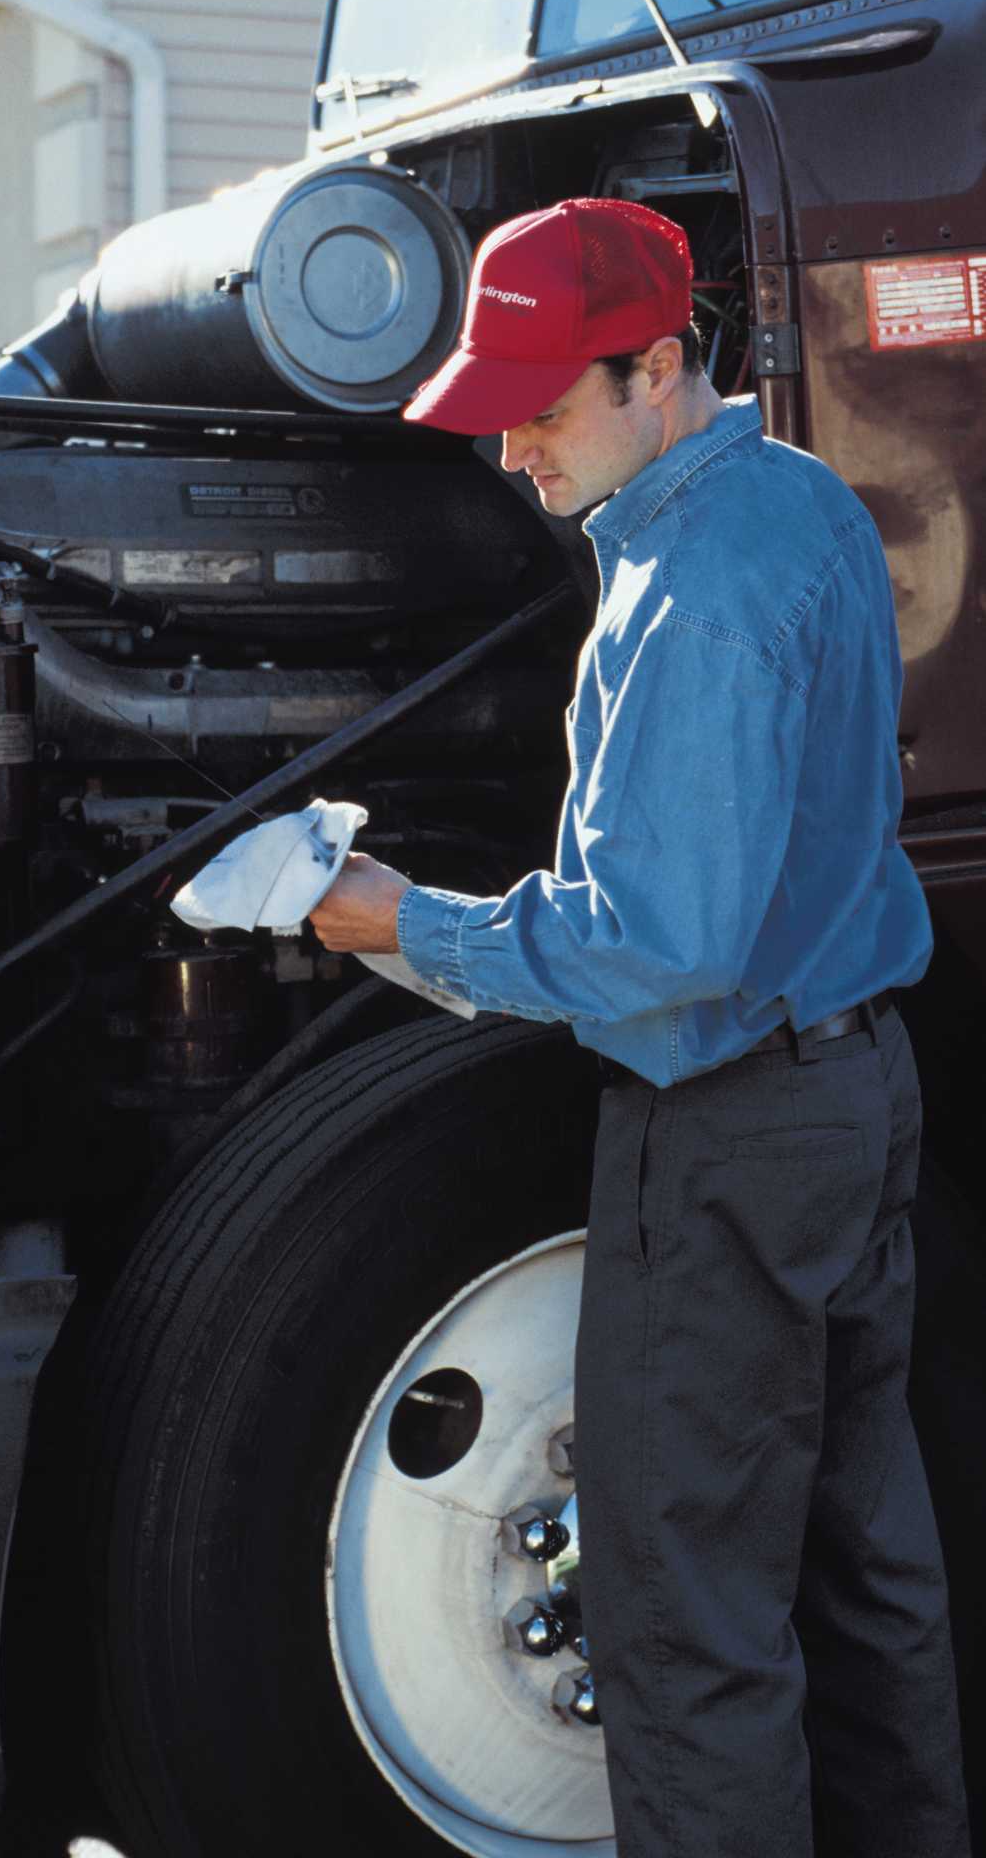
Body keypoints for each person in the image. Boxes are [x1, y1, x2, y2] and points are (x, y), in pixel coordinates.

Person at [309, 197, 970, 1858]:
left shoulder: (691, 588)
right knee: (866, 1569)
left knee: (688, 1622)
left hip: (732, 1131)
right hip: (855, 1091)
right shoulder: (803, 498)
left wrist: (398, 920)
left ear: (660, 367)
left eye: (543, 407)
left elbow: (657, 946)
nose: (513, 452)